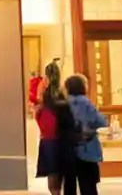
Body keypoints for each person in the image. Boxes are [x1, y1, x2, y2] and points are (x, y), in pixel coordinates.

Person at [64, 75, 108, 195]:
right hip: (87, 148)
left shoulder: (64, 103)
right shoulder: (85, 102)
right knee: (88, 185)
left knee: (69, 185)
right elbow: (100, 121)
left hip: (69, 150)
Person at [34, 62, 73, 195]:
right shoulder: (63, 94)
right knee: (61, 174)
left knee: (53, 177)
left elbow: (40, 115)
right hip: (63, 139)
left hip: (49, 139)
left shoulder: (45, 93)